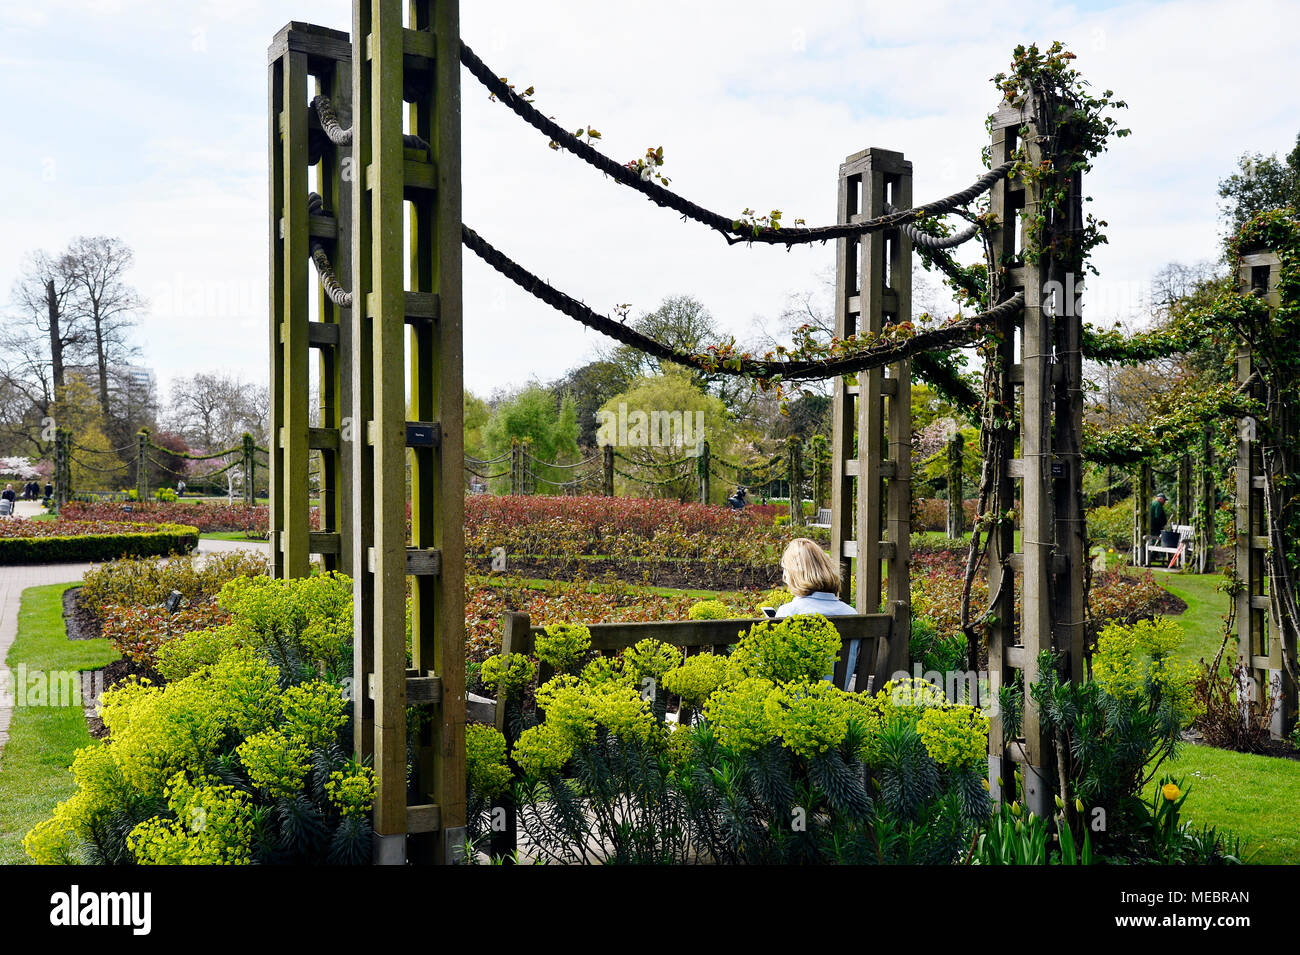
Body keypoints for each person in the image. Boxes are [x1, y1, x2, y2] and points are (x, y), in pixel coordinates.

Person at [773, 538, 860, 690]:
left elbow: (772, 665)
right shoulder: (852, 614)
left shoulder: (789, 613)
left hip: (796, 705)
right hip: (838, 701)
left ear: (794, 574)